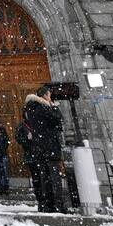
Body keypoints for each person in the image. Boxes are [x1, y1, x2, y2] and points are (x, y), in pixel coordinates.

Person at [23, 84, 66, 213]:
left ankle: (46, 204)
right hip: (50, 147)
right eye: (49, 95)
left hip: (39, 148)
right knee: (54, 177)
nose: (51, 97)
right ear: (45, 96)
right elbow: (58, 120)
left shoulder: (30, 109)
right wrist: (54, 107)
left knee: (44, 177)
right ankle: (58, 205)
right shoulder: (44, 108)